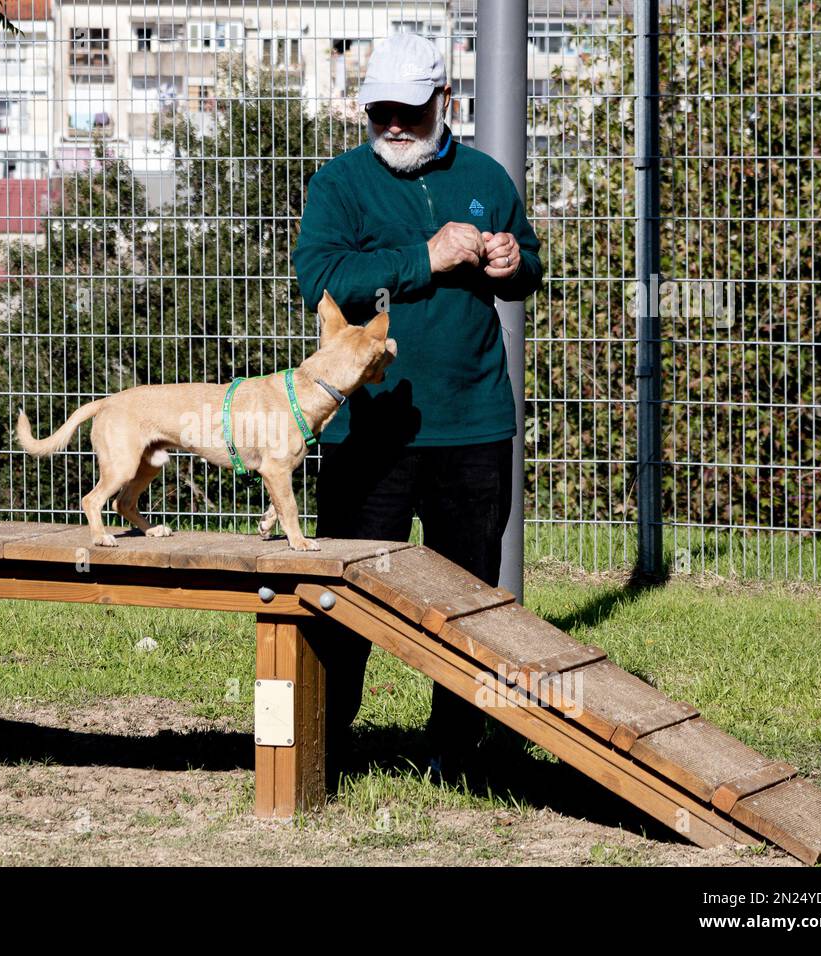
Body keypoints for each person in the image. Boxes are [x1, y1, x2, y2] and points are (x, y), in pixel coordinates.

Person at [291, 32, 543, 780]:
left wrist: (511, 263)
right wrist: (424, 258)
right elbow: (322, 282)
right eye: (379, 112)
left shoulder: (488, 176)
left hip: (474, 424)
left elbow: (528, 265)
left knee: (467, 600)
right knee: (343, 597)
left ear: (446, 103)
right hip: (369, 430)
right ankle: (319, 748)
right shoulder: (339, 184)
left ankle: (455, 756)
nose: (392, 126)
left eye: (407, 110)